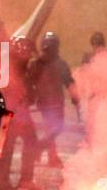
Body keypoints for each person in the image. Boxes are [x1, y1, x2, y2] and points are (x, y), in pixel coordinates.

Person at [30, 31, 80, 168]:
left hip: (53, 102)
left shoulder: (55, 64)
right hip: (48, 102)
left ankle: (49, 154)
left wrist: (75, 97)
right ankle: (45, 152)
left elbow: (69, 82)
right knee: (55, 128)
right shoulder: (40, 64)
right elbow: (29, 82)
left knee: (52, 129)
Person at [0, 35, 39, 190]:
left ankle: (6, 181)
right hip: (13, 112)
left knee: (8, 146)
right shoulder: (12, 67)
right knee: (14, 145)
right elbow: (13, 90)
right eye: (28, 53)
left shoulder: (12, 64)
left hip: (13, 112)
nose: (29, 57)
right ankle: (19, 180)